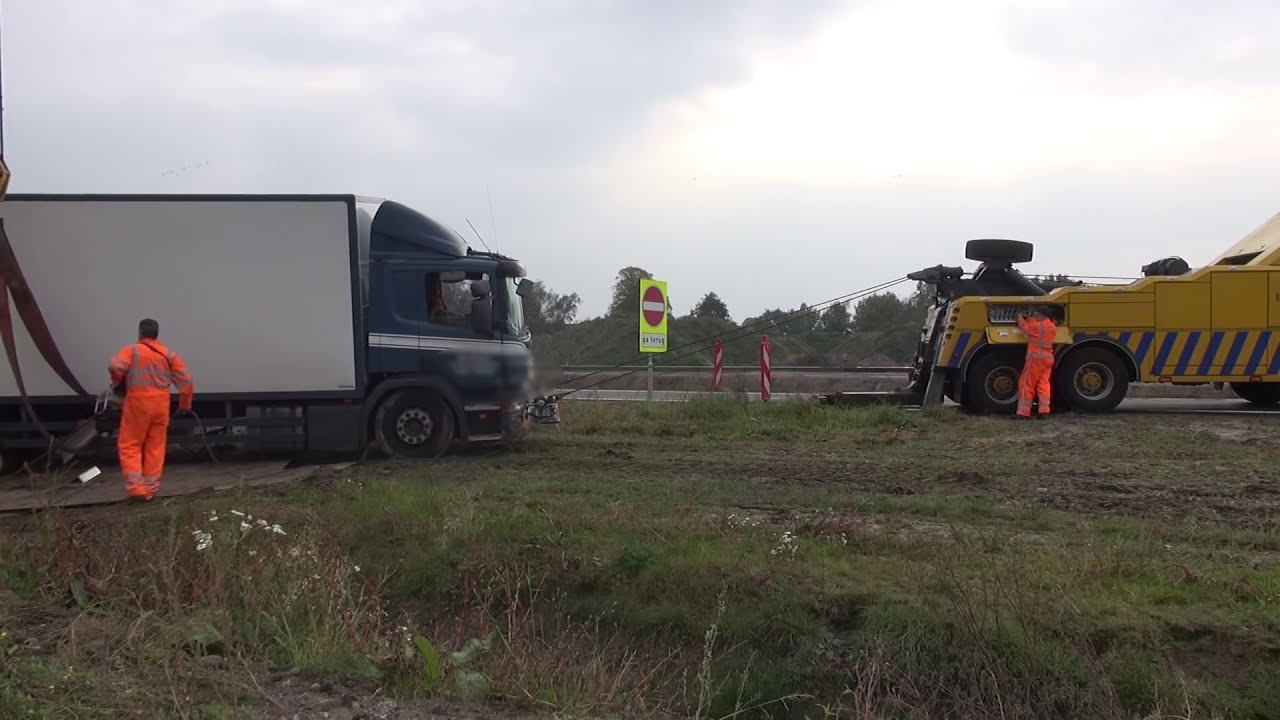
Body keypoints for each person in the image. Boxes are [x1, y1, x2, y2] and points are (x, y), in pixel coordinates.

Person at [107, 318, 194, 501]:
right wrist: (185, 405)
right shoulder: (169, 354)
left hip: (138, 402)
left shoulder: (132, 350)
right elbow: (186, 381)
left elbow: (116, 365)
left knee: (130, 444)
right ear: (157, 334)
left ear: (140, 333)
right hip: (161, 404)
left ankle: (137, 489)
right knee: (155, 446)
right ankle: (151, 489)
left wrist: (118, 381)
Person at [1015, 306, 1056, 419]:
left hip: (1035, 359)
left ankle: (1023, 412)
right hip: (1048, 358)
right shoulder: (1052, 326)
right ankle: (1044, 411)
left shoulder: (1036, 326)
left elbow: (1025, 328)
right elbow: (1035, 327)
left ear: (1043, 315)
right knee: (1044, 384)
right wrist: (1031, 318)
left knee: (1026, 383)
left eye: (1037, 314)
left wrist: (1020, 317)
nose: (1036, 316)